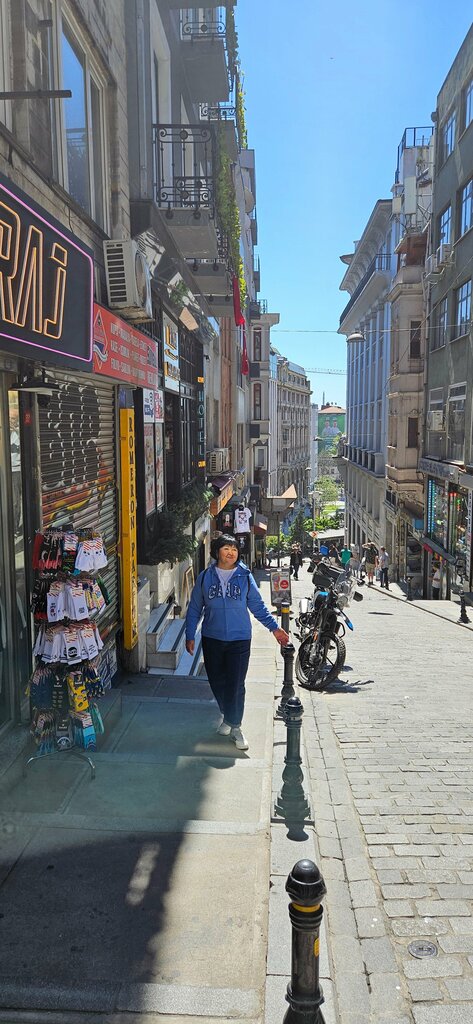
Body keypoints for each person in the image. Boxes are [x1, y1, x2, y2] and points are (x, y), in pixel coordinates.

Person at [185, 535, 289, 751]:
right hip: (212, 637)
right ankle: (228, 717)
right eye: (226, 548)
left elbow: (257, 606)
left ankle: (236, 726)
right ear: (216, 552)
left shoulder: (244, 576)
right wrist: (190, 634)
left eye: (234, 548)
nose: (231, 552)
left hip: (239, 638)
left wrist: (274, 628)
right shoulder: (205, 577)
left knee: (236, 683)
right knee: (216, 681)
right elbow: (195, 607)